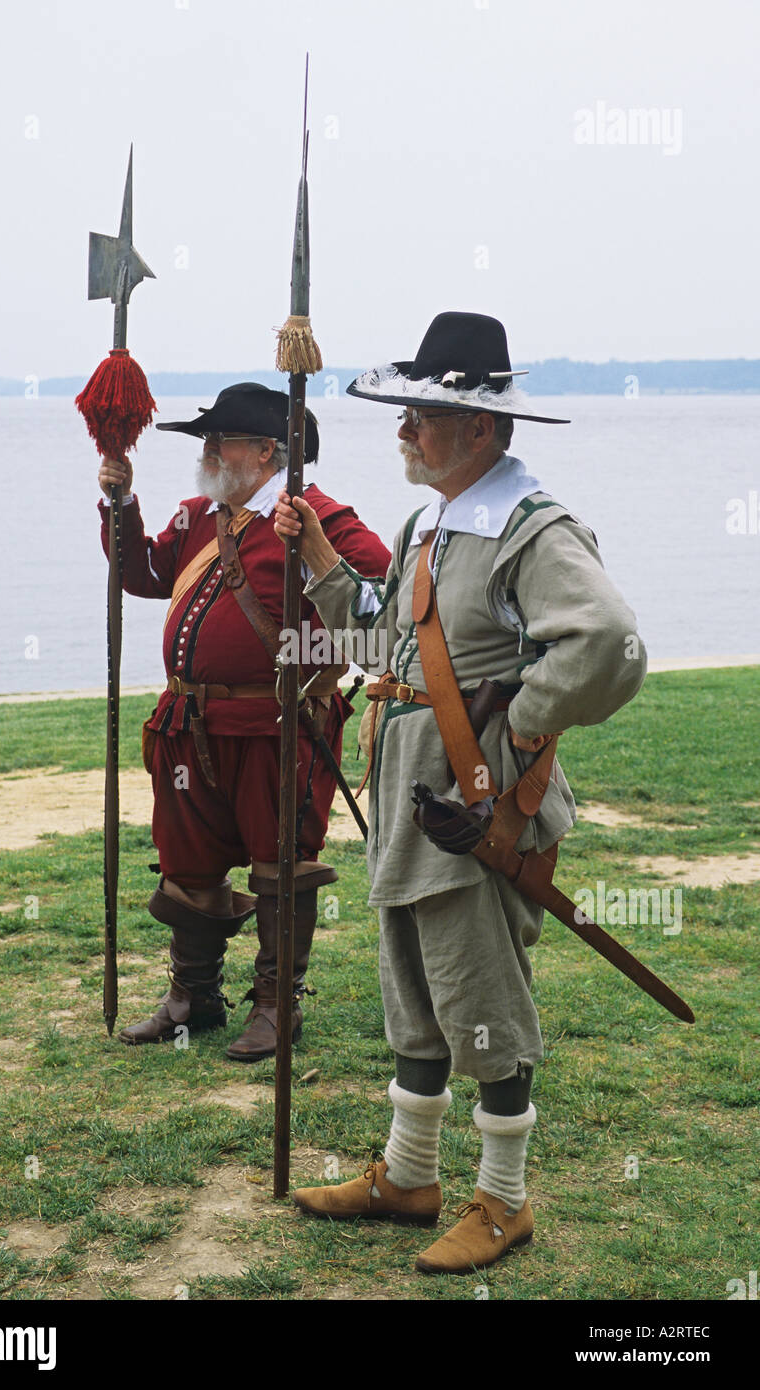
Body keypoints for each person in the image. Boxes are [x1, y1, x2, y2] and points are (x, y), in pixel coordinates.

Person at [274, 313, 647, 1272]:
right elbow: (384, 638)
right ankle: (408, 1176)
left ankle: (505, 1201)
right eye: (403, 413)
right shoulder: (428, 521)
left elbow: (604, 642)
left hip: (477, 810)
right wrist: (318, 553)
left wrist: (519, 729)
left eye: (422, 414)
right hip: (415, 805)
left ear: (480, 428)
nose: (402, 430)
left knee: (481, 1003)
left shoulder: (531, 528)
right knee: (417, 997)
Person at [98, 382, 390, 1062]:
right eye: (205, 439)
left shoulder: (318, 516)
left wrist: (322, 658)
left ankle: (274, 1008)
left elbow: (381, 607)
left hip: (278, 729)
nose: (206, 450)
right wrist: (120, 503)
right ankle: (190, 999)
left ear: (266, 451)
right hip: (187, 723)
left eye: (219, 439)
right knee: (188, 864)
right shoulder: (200, 516)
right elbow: (141, 573)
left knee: (280, 869)